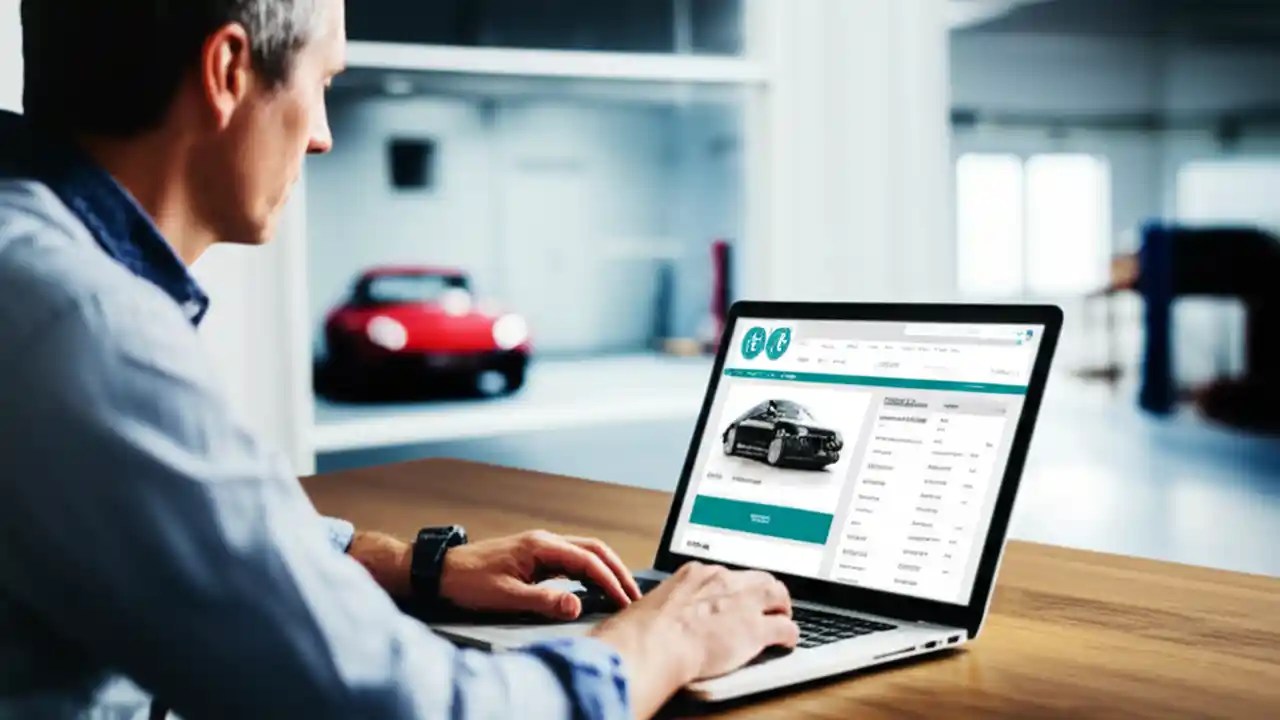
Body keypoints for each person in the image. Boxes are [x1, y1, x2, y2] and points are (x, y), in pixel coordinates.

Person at [0, 1, 799, 718]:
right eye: (322, 82)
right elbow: (410, 709)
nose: (321, 135)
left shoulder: (32, 261)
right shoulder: (81, 324)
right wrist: (665, 640)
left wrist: (415, 565)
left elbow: (169, 525)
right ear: (228, 71)